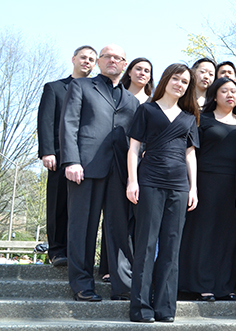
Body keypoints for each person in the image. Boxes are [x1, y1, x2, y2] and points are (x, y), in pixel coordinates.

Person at [60, 44, 139, 302]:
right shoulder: (81, 86)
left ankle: (123, 285)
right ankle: (82, 284)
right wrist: (71, 160)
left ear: (124, 64)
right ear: (99, 61)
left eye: (118, 57)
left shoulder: (132, 100)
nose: (113, 60)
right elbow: (69, 123)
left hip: (120, 171)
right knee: (83, 227)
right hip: (86, 168)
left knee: (119, 230)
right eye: (108, 57)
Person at [126, 63, 200, 323]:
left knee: (171, 247)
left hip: (179, 186)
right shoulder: (146, 110)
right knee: (146, 244)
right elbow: (134, 148)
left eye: (185, 82)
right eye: (176, 79)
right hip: (149, 181)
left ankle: (165, 309)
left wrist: (194, 188)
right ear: (167, 80)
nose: (180, 84)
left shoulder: (190, 117)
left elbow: (190, 155)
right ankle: (141, 308)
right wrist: (132, 181)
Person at [178, 77, 236, 302]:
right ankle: (202, 285)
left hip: (234, 186)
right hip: (205, 182)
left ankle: (225, 286)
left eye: (234, 91)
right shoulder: (202, 120)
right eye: (224, 91)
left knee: (230, 236)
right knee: (204, 234)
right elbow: (191, 154)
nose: (230, 95)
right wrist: (192, 186)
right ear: (214, 95)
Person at [38, 45, 97, 267]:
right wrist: (47, 151)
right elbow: (45, 121)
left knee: (80, 208)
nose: (87, 62)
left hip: (87, 158)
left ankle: (76, 251)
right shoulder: (54, 88)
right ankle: (56, 250)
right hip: (60, 156)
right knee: (59, 203)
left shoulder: (95, 90)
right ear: (73, 59)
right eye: (83, 57)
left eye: (92, 59)